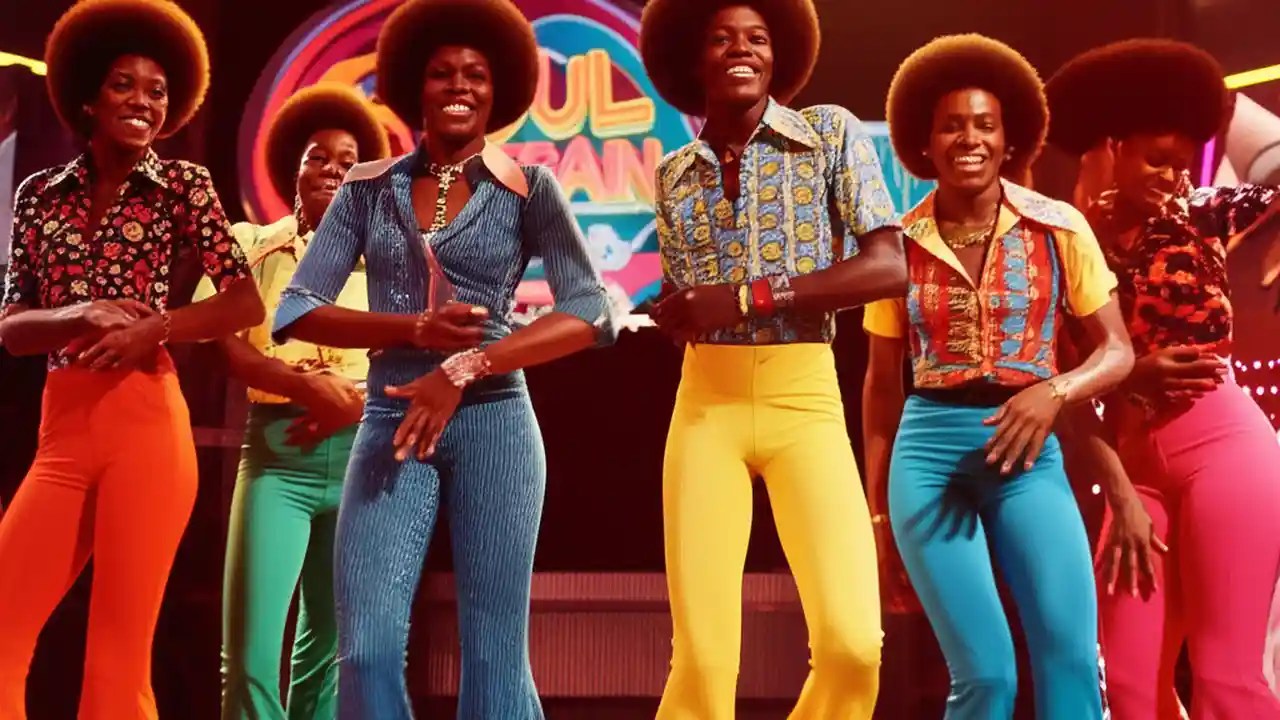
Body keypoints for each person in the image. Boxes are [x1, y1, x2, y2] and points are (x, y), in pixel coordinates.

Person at [269, 0, 616, 716]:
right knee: (363, 647)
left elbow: (590, 310)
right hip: (393, 418)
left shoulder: (529, 189)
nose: (460, 85)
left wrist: (464, 367)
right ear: (412, 87)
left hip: (496, 422)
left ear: (500, 91)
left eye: (477, 75)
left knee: (493, 654)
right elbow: (295, 310)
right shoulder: (367, 189)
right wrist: (415, 331)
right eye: (441, 74)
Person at [638, 1, 908, 716]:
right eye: (722, 38)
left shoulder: (827, 134)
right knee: (701, 660)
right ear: (692, 60)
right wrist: (676, 310)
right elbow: (691, 291)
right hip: (706, 407)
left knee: (854, 646)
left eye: (756, 38)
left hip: (805, 400)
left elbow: (888, 268)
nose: (741, 49)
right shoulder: (672, 173)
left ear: (778, 55)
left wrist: (749, 297)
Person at [0, 0, 264, 717]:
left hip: (145, 423)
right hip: (61, 433)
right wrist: (76, 314)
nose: (142, 100)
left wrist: (160, 328)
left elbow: (245, 303)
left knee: (115, 664)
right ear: (87, 94)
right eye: (124, 84)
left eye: (156, 90)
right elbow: (13, 327)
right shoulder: (38, 197)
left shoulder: (184, 186)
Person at [861, 34, 1134, 718]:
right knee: (986, 679)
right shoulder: (896, 246)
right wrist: (876, 517)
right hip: (927, 458)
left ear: (1009, 137)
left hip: (1030, 452)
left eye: (984, 123)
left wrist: (1054, 390)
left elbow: (1116, 352)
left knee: (1071, 660)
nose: (969, 138)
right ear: (925, 142)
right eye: (952, 125)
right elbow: (880, 392)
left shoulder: (1058, 228)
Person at [1046, 38, 1280, 719]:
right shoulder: (1062, 244)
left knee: (1227, 678)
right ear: (1112, 147)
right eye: (1158, 159)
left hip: (1226, 450)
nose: (1175, 177)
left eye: (1184, 164)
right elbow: (1057, 379)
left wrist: (1227, 104)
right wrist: (1130, 375)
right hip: (1134, 471)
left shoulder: (1202, 214)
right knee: (1126, 685)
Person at [209, 83, 391, 720]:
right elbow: (227, 348)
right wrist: (304, 385)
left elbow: (413, 357)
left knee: (328, 660)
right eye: (319, 157)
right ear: (294, 168)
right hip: (277, 457)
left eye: (348, 161)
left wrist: (354, 400)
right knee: (251, 655)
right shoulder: (250, 244)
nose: (333, 169)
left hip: (362, 460)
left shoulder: (390, 261)